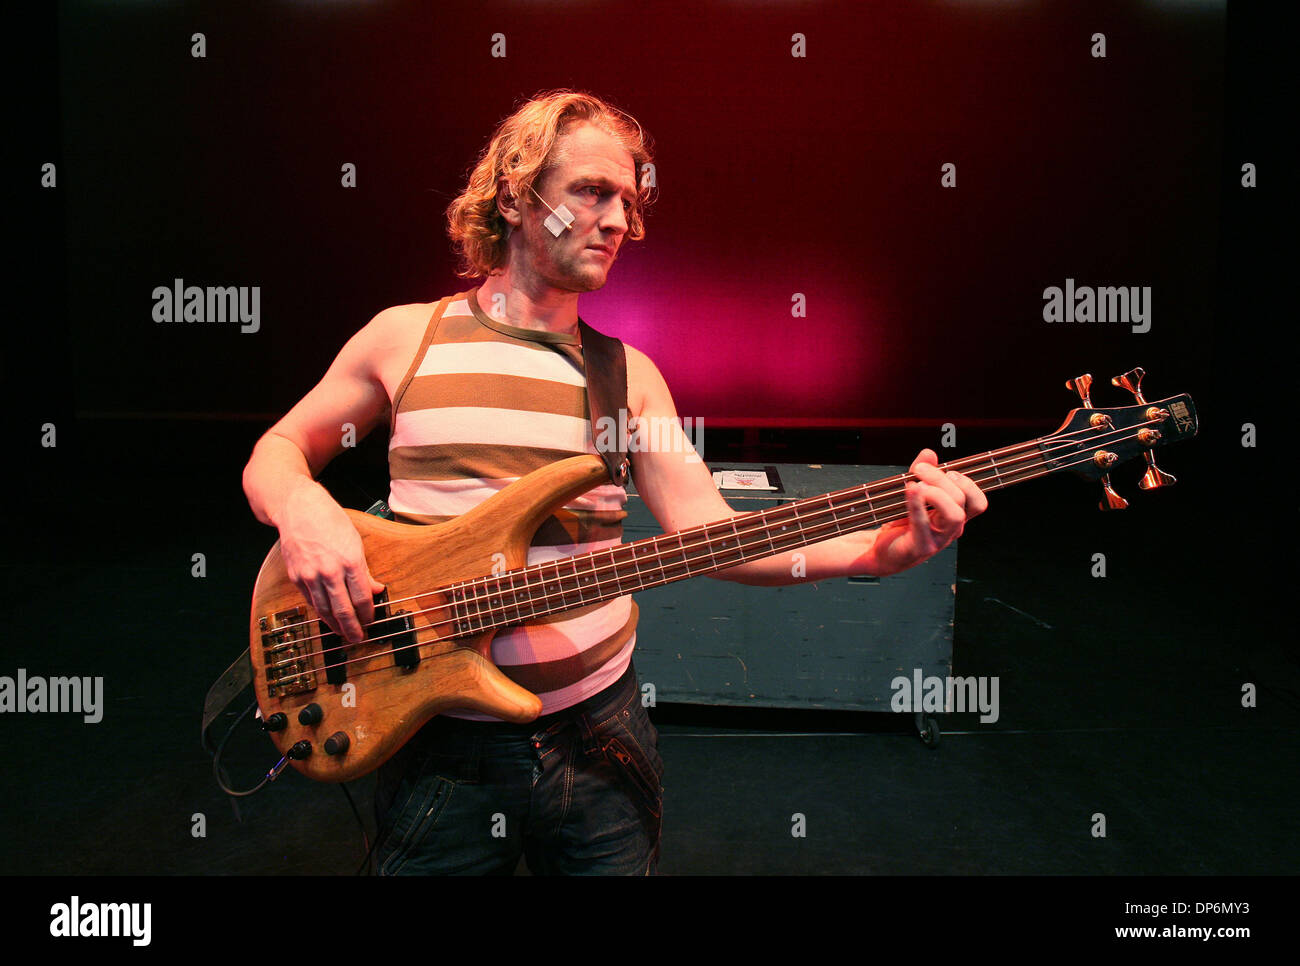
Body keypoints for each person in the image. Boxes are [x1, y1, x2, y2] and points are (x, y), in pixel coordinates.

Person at [241, 89, 988, 875]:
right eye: (591, 193)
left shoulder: (628, 379)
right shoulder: (406, 338)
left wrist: (877, 552)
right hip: (440, 752)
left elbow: (708, 534)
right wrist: (304, 510)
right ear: (516, 194)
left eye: (629, 202)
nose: (618, 221)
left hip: (600, 741)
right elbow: (278, 449)